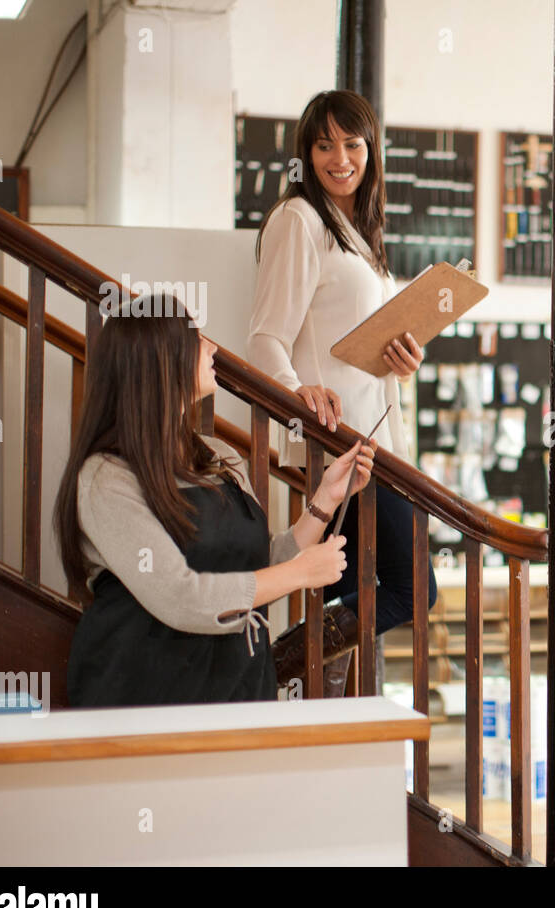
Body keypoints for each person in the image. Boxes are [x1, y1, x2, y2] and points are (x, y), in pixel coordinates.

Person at [54, 293, 375, 707]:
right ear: (157, 361)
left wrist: (325, 501)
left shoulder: (218, 455)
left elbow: (256, 569)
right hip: (141, 695)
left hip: (236, 684)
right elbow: (180, 596)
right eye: (195, 337)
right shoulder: (106, 478)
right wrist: (301, 574)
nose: (212, 347)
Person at [247, 89, 436, 646]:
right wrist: (296, 392)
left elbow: (356, 344)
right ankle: (280, 663)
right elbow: (264, 338)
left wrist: (403, 361)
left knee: (347, 584)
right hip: (342, 443)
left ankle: (318, 706)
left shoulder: (359, 233)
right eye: (324, 145)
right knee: (411, 588)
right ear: (306, 153)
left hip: (376, 441)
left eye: (352, 144)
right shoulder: (298, 219)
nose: (340, 158)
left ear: (371, 150)